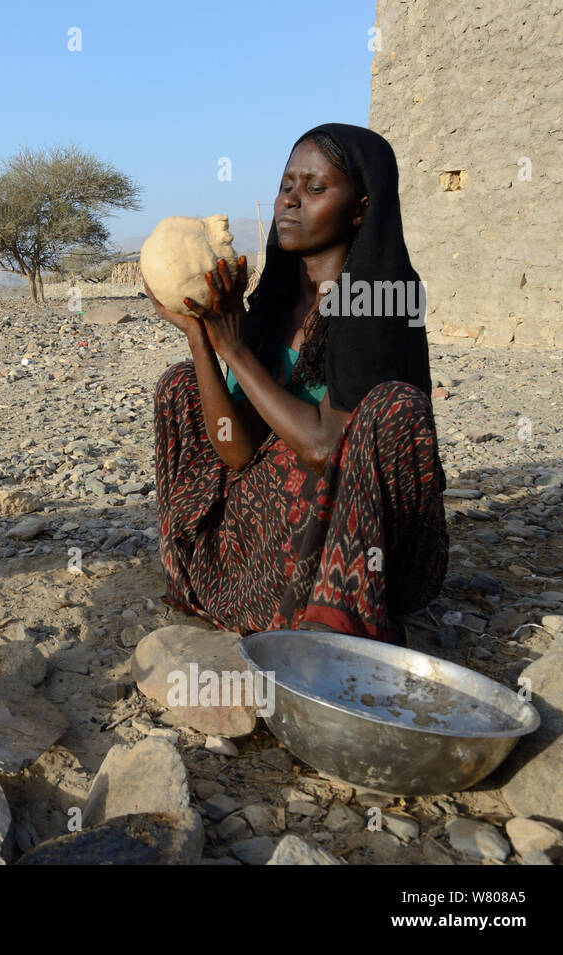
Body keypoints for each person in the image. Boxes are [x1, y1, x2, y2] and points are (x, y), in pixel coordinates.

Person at [146, 123, 446, 645]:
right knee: (181, 385)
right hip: (270, 543)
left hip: (358, 554)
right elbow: (237, 453)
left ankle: (341, 618)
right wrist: (203, 337)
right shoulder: (275, 301)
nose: (291, 202)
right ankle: (213, 574)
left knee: (393, 407)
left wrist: (234, 350)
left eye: (315, 189)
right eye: (287, 186)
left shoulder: (382, 295)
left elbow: (323, 446)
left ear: (360, 208)